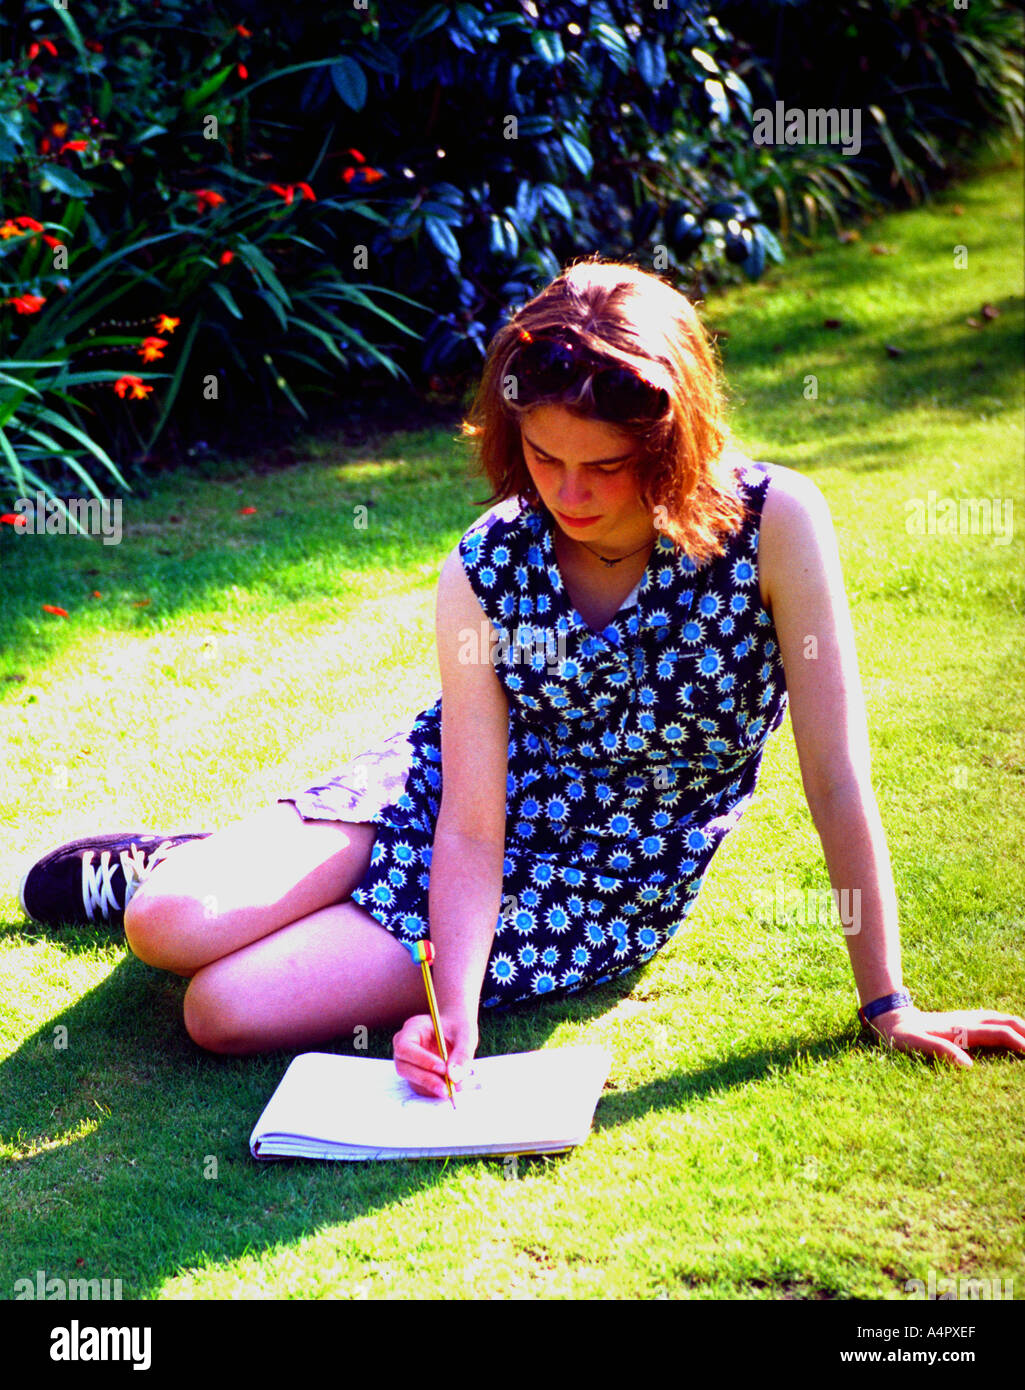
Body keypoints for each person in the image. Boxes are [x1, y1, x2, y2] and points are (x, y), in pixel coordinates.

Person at [19, 259, 1024, 1096]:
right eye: (543, 457)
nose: (568, 493)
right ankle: (190, 865)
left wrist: (885, 1001)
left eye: (606, 465)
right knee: (166, 923)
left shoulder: (775, 525)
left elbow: (835, 776)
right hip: (449, 797)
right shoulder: (486, 561)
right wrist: (450, 1002)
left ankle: (265, 885)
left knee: (220, 1010)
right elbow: (467, 816)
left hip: (597, 876)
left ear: (668, 445)